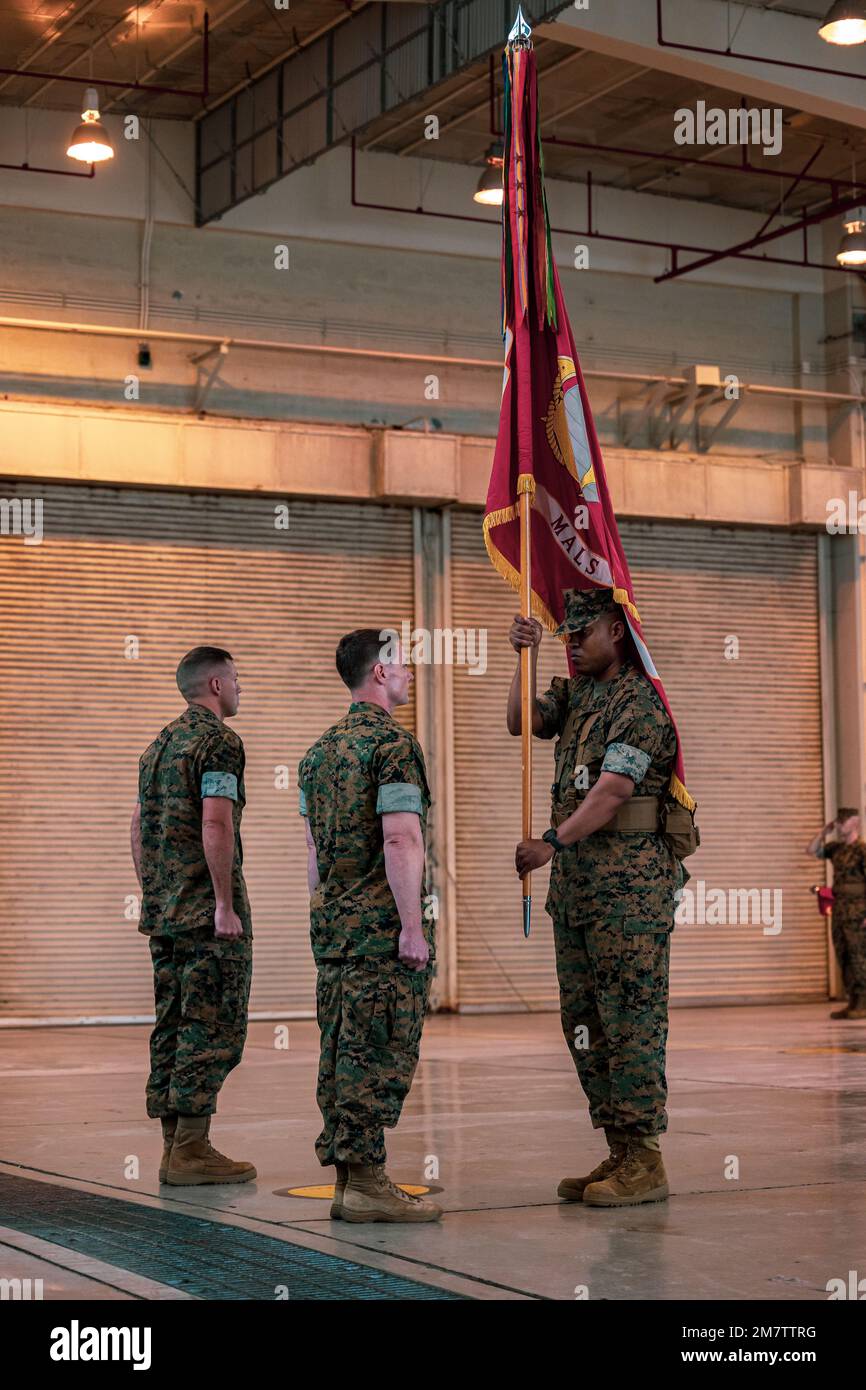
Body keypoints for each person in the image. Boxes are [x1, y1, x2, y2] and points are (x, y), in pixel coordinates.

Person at [509, 588, 681, 1207]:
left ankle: (646, 1158)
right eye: (565, 637)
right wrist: (523, 658)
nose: (573, 645)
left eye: (583, 634)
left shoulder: (639, 701)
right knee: (583, 1022)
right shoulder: (576, 693)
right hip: (580, 892)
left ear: (616, 628)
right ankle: (619, 1149)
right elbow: (520, 722)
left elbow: (611, 792)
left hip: (629, 894)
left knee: (630, 1020)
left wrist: (552, 841)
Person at [298, 629, 441, 1223]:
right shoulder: (393, 747)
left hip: (334, 932)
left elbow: (311, 854)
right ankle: (366, 1184)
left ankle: (347, 1182)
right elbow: (400, 836)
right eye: (402, 664)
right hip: (380, 932)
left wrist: (328, 914)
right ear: (379, 673)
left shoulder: (318, 753)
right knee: (376, 1051)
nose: (409, 672)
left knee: (339, 1052)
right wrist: (412, 926)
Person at [131, 646, 255, 1186]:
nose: (239, 688)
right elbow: (216, 825)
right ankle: (191, 1151)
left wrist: (154, 891)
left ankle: (173, 1146)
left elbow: (137, 828)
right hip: (206, 915)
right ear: (214, 684)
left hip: (165, 913)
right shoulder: (218, 742)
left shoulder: (156, 747)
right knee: (212, 1024)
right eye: (235, 679)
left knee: (173, 1023)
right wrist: (223, 904)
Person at [808, 808, 866, 1020]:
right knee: (843, 954)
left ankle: (863, 1001)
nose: (840, 825)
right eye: (838, 822)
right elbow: (812, 850)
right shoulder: (837, 849)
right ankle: (853, 1000)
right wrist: (824, 831)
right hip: (840, 908)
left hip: (859, 910)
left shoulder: (862, 850)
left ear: (855, 823)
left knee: (859, 955)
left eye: (844, 822)